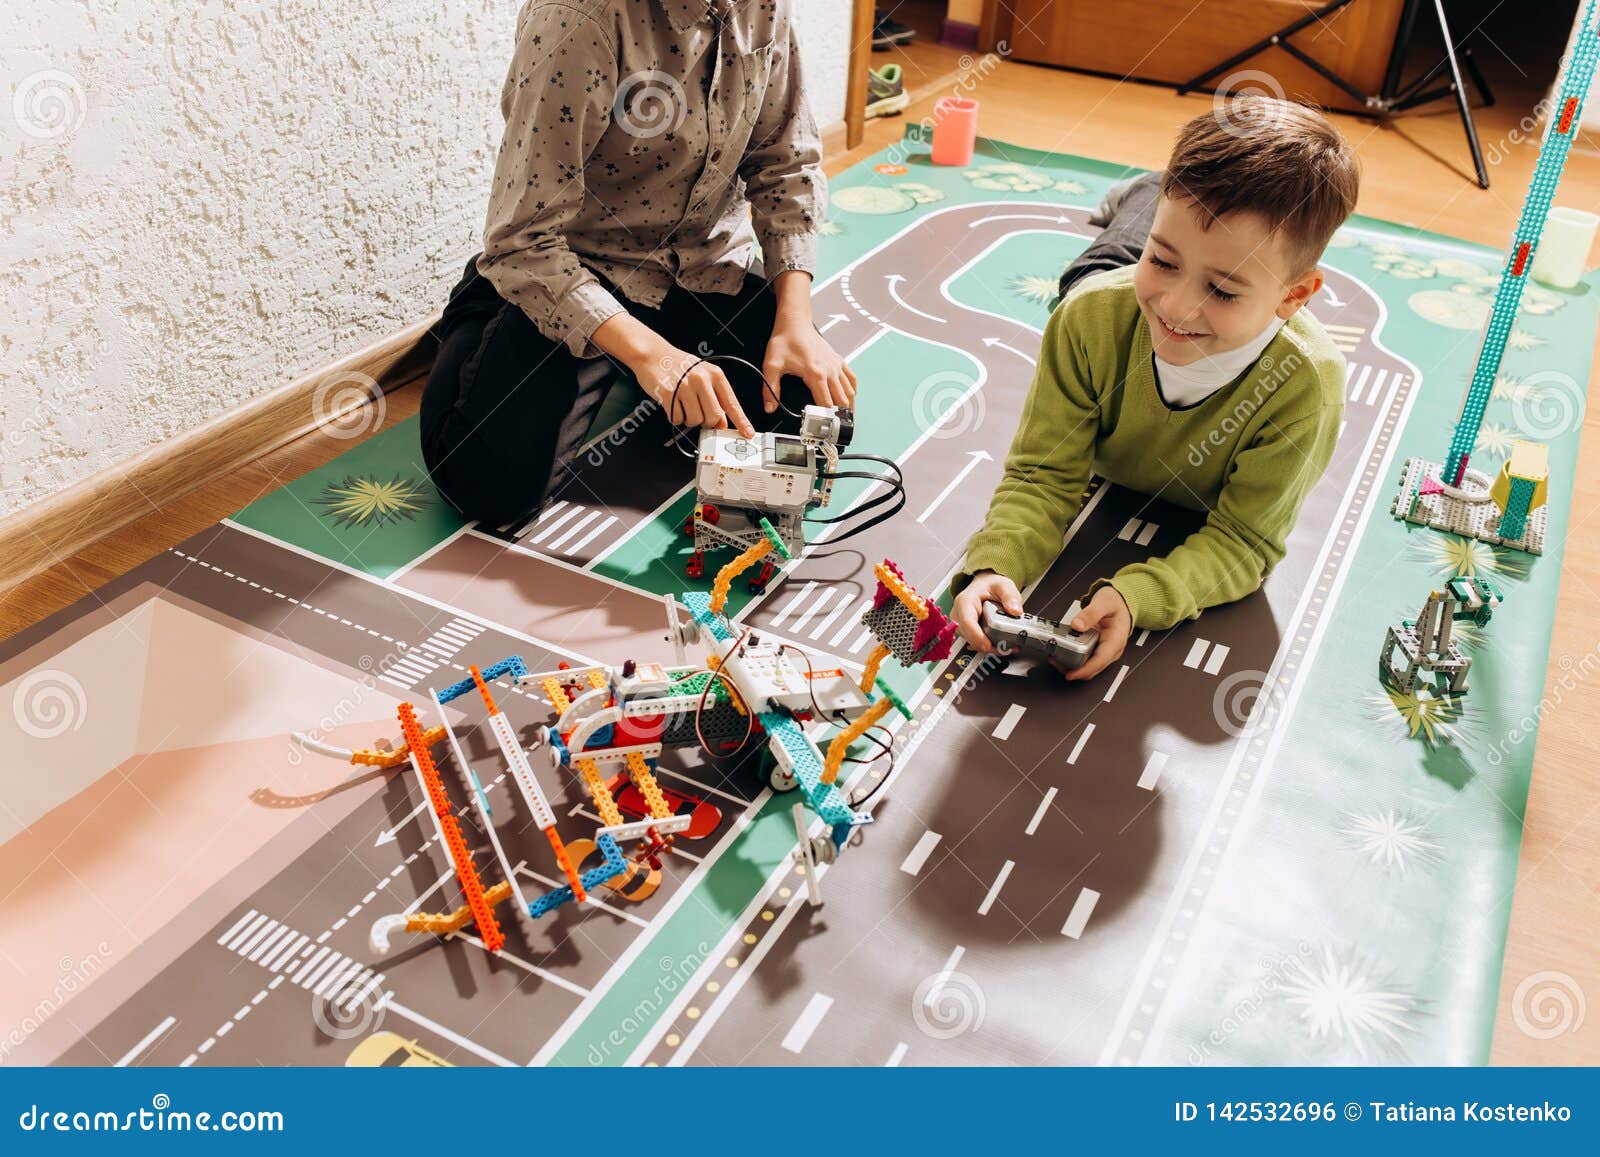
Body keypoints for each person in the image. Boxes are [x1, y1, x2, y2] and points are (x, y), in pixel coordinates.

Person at [951, 97, 1361, 681]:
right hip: (1110, 288)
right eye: (1164, 261)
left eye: (1223, 290)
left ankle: (1148, 207)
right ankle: (1146, 199)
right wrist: (997, 562)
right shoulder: (1089, 319)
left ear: (1294, 297)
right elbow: (1042, 475)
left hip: (1134, 298)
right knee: (1093, 274)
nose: (1177, 306)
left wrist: (1140, 596)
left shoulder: (1305, 388)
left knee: (1128, 274)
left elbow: (1245, 541)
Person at [421, 0, 856, 526]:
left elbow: (785, 162)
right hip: (580, 271)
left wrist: (795, 322)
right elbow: (523, 239)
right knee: (489, 486)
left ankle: (649, 360)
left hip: (702, 263)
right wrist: (654, 358)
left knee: (809, 423)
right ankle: (483, 314)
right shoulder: (576, 19)